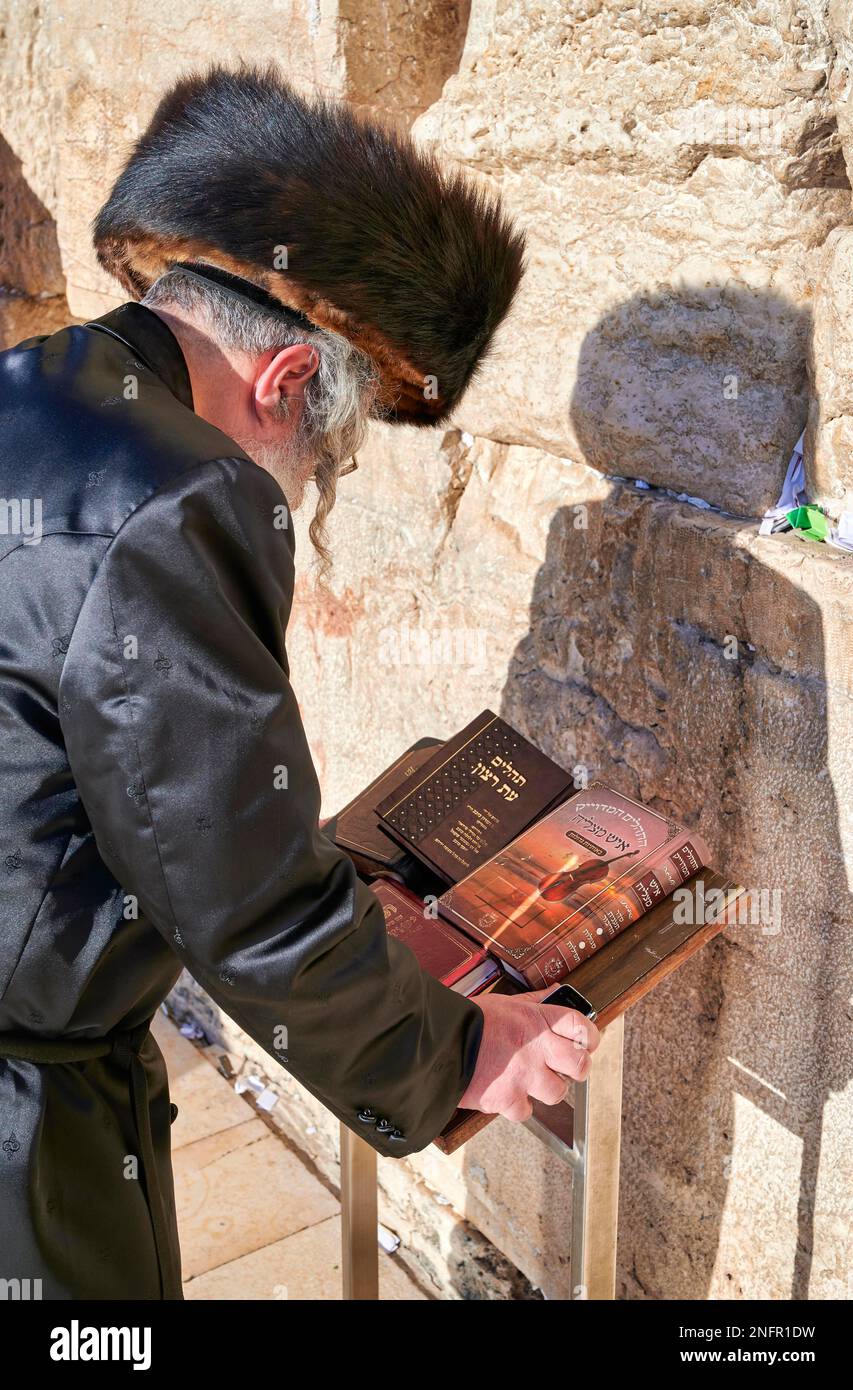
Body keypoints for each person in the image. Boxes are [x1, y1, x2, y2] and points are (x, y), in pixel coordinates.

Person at [0, 64, 599, 1300]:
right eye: (326, 455)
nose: (311, 488)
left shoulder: (33, 391)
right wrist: (454, 1055)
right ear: (281, 386)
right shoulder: (179, 496)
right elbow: (242, 894)